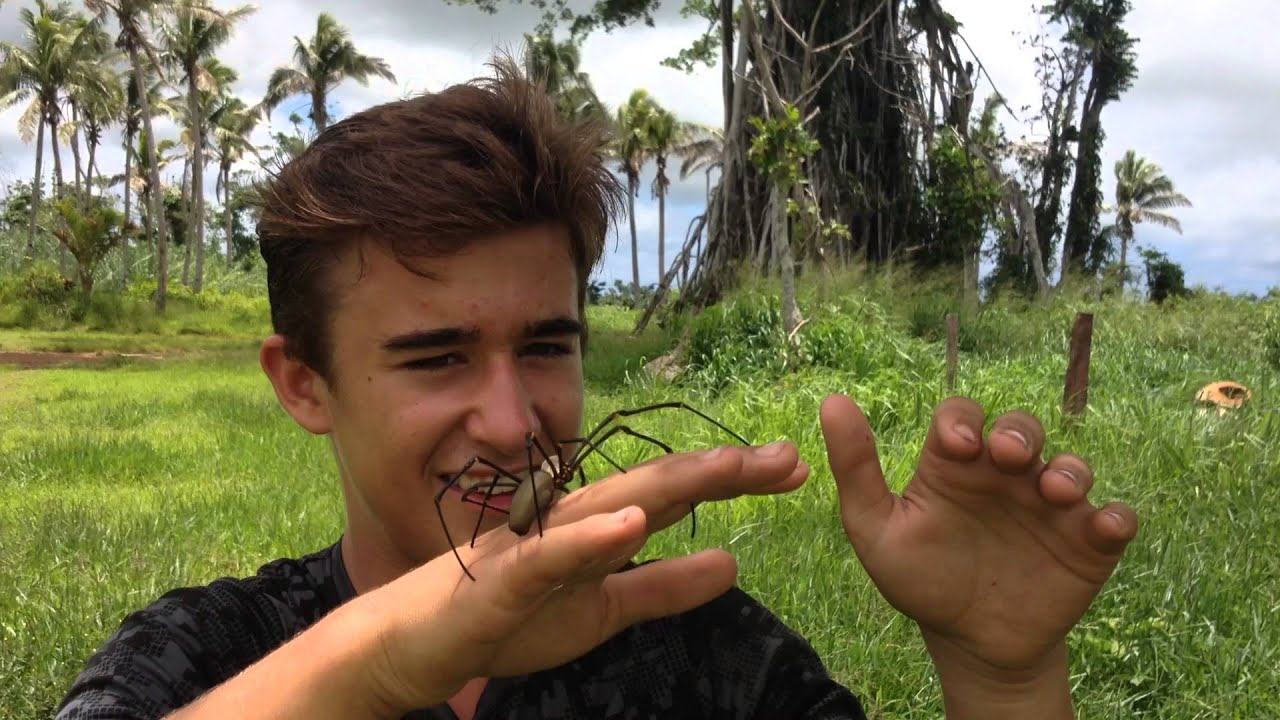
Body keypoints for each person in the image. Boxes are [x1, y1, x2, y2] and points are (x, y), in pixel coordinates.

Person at [55, 56, 1138, 720]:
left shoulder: (706, 656)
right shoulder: (204, 656)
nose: (511, 424)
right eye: (435, 357)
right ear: (304, 383)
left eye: (545, 347)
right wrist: (378, 665)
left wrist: (1002, 684)